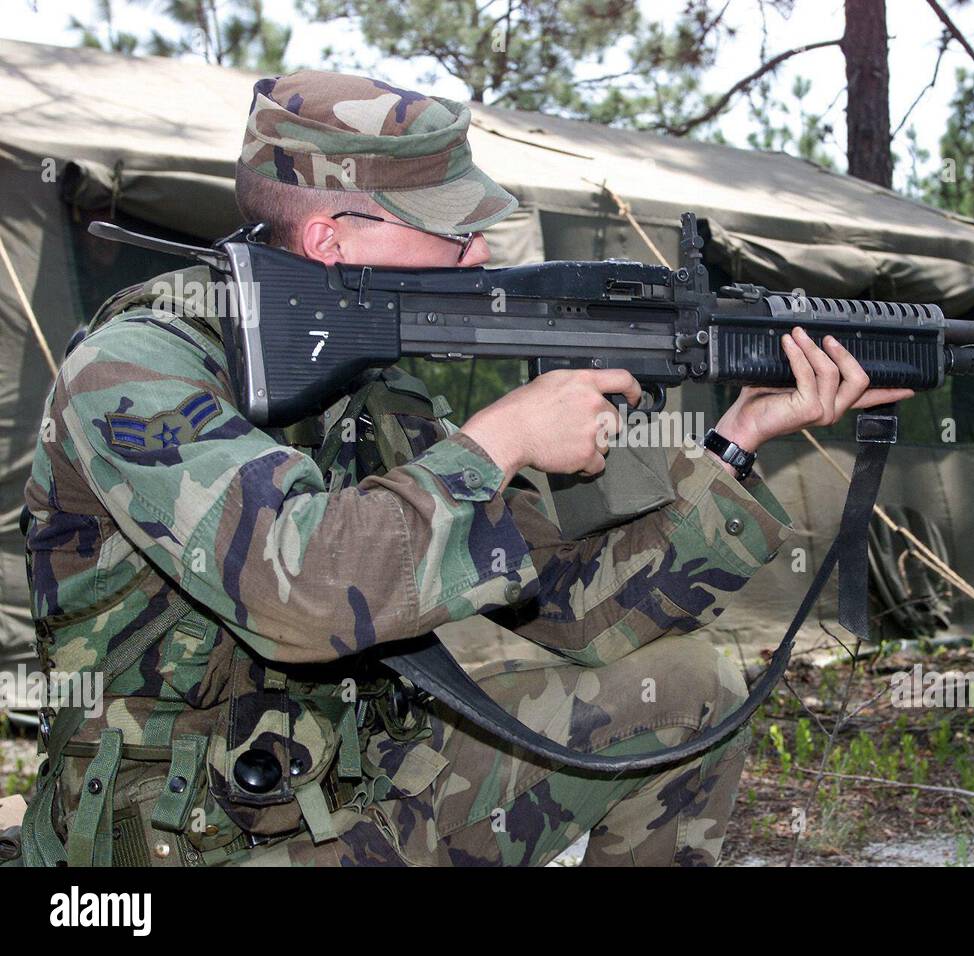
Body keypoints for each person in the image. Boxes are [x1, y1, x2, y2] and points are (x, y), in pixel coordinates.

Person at [21, 70, 912, 867]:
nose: (479, 254)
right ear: (333, 239)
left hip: (345, 792)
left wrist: (741, 438)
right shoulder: (133, 371)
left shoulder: (371, 391)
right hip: (171, 844)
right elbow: (301, 593)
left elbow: (573, 616)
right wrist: (500, 438)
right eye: (450, 228)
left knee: (695, 687)